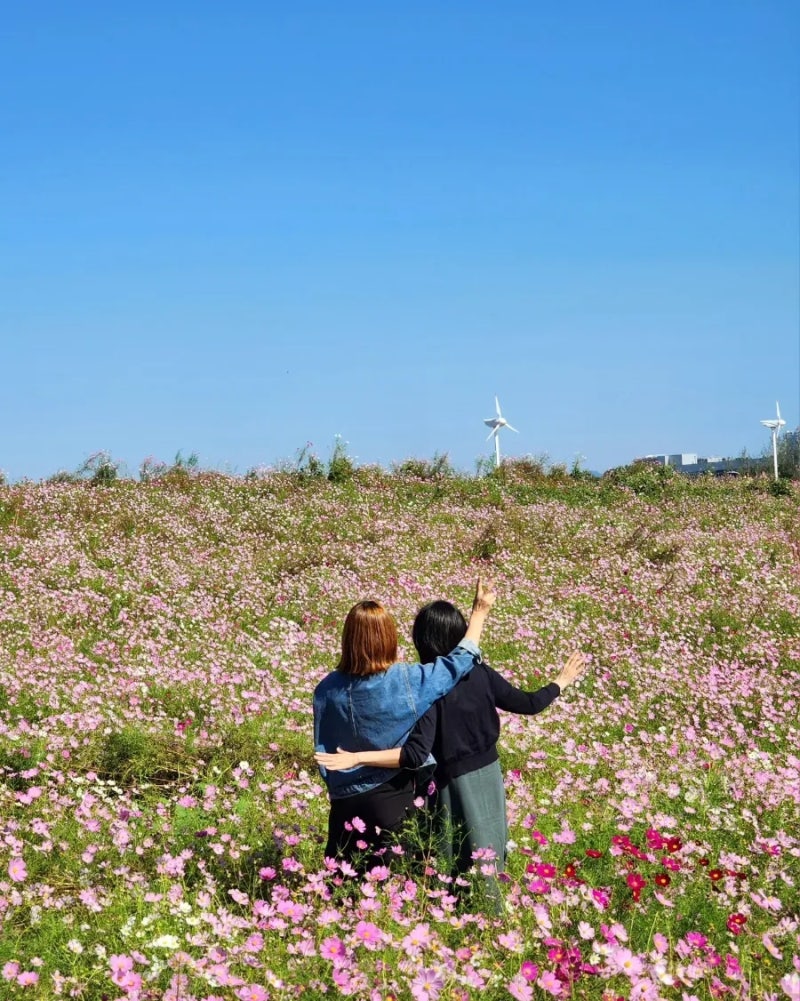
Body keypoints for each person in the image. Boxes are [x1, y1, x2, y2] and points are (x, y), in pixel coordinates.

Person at [317, 599, 586, 884]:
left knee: (351, 880)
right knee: (474, 848)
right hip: (444, 786)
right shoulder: (430, 680)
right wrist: (560, 680)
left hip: (381, 794)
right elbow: (522, 699)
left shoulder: (333, 690)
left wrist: (351, 766)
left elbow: (334, 747)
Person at [313, 580, 496, 867]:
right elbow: (458, 661)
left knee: (341, 890)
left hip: (344, 805)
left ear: (347, 638)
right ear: (389, 639)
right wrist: (480, 613)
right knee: (392, 893)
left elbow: (324, 749)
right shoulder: (408, 681)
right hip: (391, 801)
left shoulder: (326, 690)